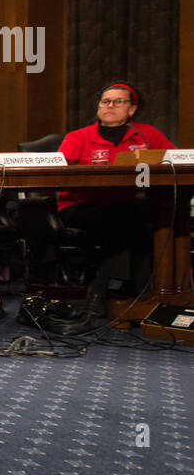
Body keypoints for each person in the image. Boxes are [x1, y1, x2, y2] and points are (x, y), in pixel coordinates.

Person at [57, 81, 174, 315]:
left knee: (145, 217)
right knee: (128, 218)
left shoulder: (146, 134)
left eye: (118, 101)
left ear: (132, 109)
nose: (109, 106)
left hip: (126, 205)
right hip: (80, 206)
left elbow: (175, 159)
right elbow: (58, 172)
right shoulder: (78, 137)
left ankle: (117, 290)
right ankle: (120, 289)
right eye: (105, 101)